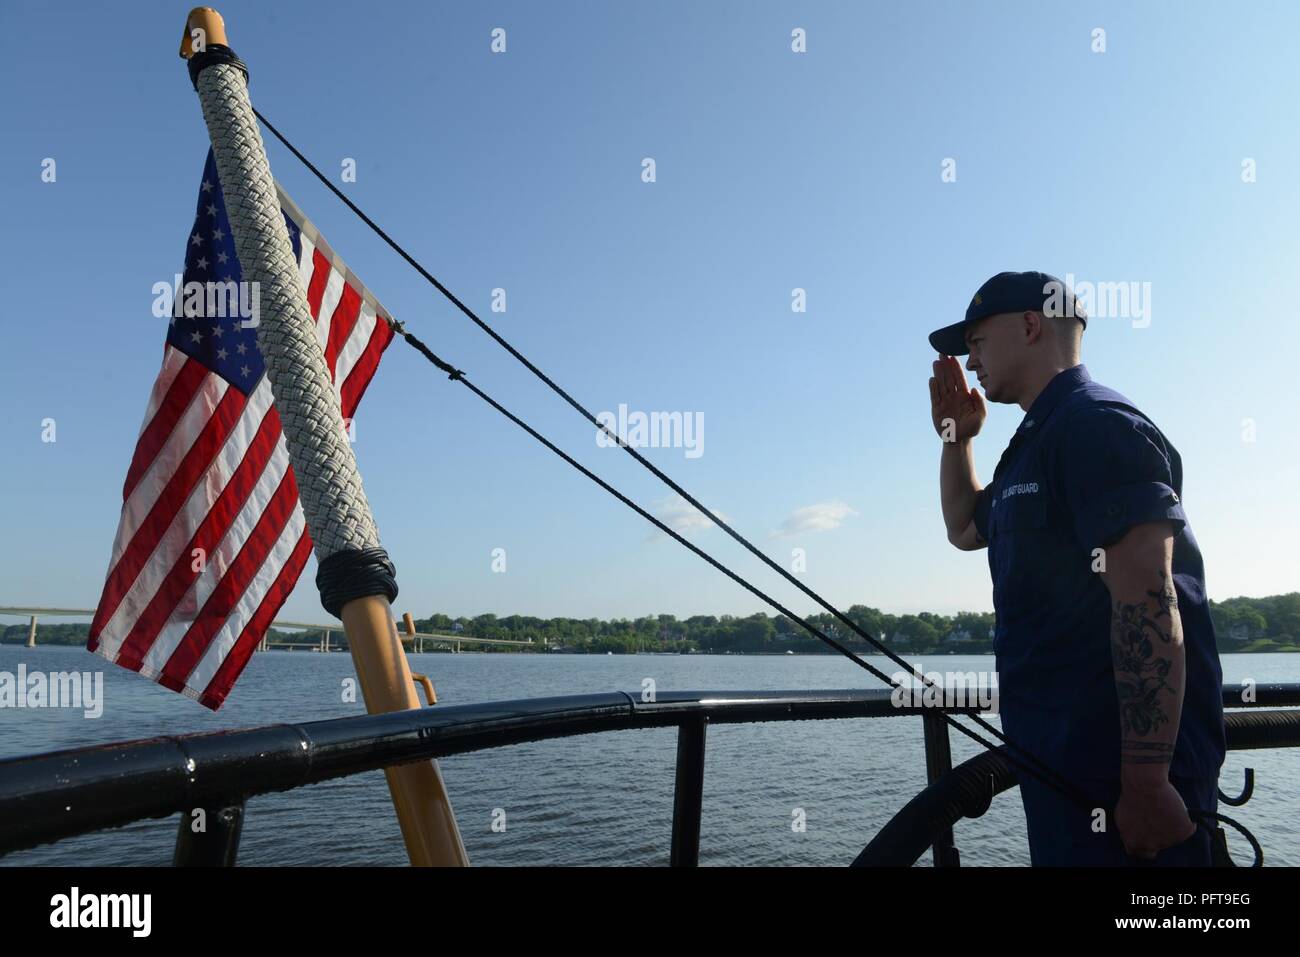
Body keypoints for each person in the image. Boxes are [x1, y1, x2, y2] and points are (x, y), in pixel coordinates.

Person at [928, 270, 1225, 866]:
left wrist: (1146, 781)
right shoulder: (1034, 442)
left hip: (1122, 781)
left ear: (1031, 326)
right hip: (1059, 767)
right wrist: (957, 438)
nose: (971, 361)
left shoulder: (1097, 427)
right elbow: (964, 529)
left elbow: (1147, 599)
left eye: (977, 342)